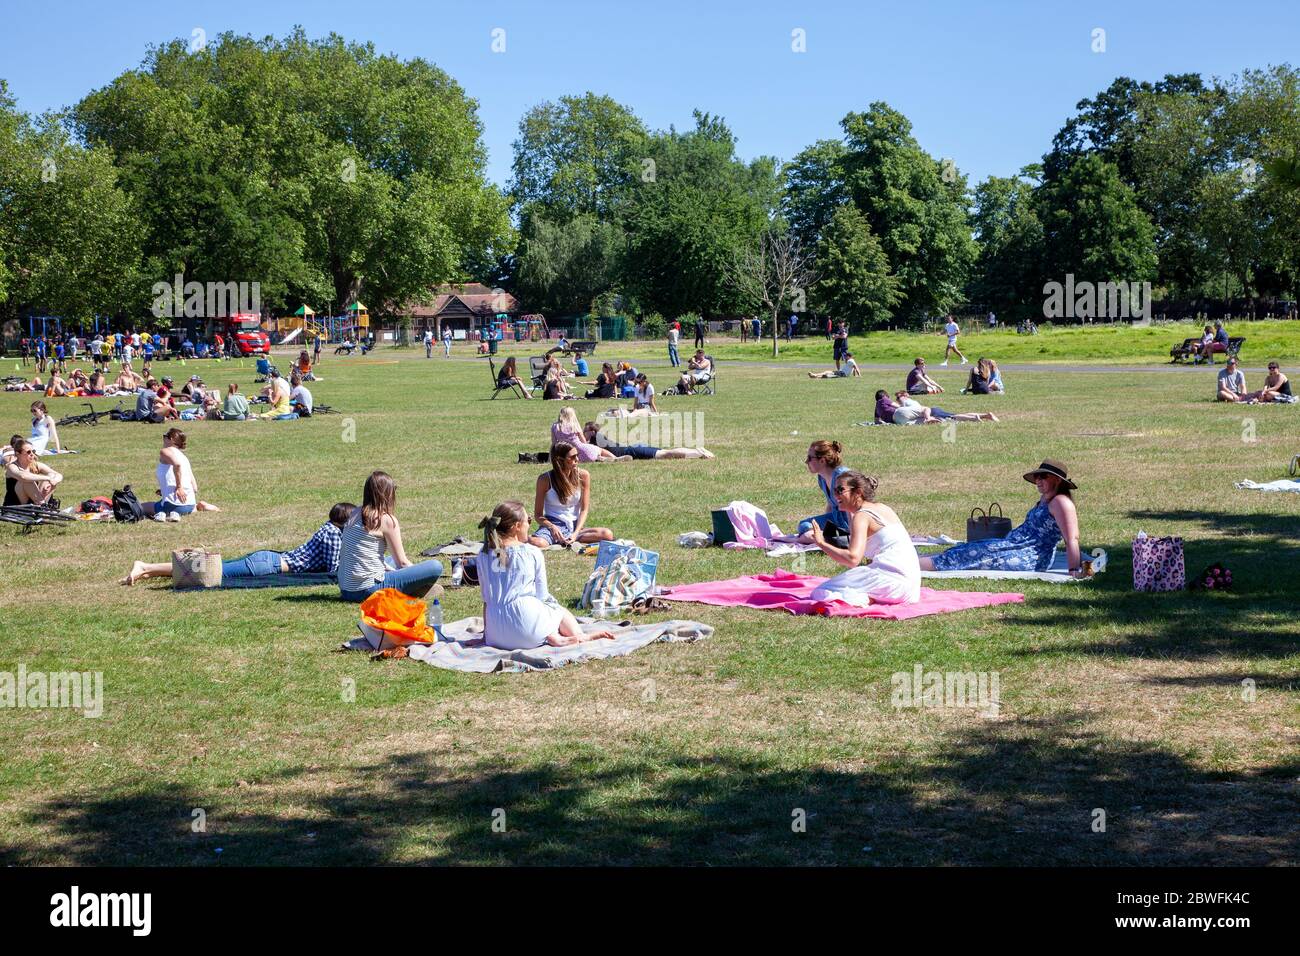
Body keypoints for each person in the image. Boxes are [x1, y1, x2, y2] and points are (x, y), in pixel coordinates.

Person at [476, 501, 615, 649]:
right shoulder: (531, 552)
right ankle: (569, 636)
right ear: (516, 526)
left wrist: (487, 635)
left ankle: (551, 634)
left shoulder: (483, 555)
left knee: (545, 611)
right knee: (558, 610)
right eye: (528, 520)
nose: (530, 525)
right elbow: (543, 595)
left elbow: (486, 599)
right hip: (527, 630)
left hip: (495, 634)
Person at [121, 503, 357, 585]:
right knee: (209, 572)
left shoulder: (327, 528)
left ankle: (151, 571)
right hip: (269, 566)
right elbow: (334, 570)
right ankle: (144, 567)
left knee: (208, 567)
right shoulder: (334, 536)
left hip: (267, 559)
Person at [920, 460, 1083, 576]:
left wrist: (1074, 569)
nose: (1038, 481)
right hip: (1013, 546)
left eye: (1043, 476)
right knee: (963, 550)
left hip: (1027, 557)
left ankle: (904, 565)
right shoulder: (1046, 499)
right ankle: (907, 560)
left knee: (966, 556)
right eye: (1037, 477)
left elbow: (1072, 538)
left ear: (1057, 480)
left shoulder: (1061, 502)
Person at [808, 471, 921, 607]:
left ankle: (863, 599)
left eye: (840, 490)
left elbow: (852, 559)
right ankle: (870, 597)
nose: (835, 495)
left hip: (892, 584)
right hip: (911, 589)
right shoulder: (882, 508)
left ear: (858, 492)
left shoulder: (862, 517)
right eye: (834, 490)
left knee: (820, 593)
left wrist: (821, 543)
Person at [337, 470, 443, 602]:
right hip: (366, 590)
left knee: (388, 560)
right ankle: (414, 587)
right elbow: (402, 563)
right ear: (387, 493)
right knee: (435, 566)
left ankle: (408, 586)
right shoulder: (386, 520)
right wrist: (419, 576)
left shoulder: (354, 513)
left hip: (346, 589)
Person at [528, 442, 615, 548]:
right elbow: (538, 515)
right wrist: (552, 527)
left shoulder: (583, 475)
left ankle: (568, 539)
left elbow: (584, 510)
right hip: (554, 525)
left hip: (575, 526)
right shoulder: (545, 479)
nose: (577, 459)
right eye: (573, 457)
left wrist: (575, 533)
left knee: (607, 534)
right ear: (560, 460)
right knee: (538, 543)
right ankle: (526, 537)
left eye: (577, 455)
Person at [143, 428, 220, 520]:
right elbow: (194, 488)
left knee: (139, 507)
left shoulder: (165, 451)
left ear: (170, 439)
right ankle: (198, 506)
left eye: (164, 436)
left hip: (172, 505)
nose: (163, 439)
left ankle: (168, 512)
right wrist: (165, 490)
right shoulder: (184, 458)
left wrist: (179, 487)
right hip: (190, 505)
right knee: (181, 506)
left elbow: (177, 465)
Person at [796, 440, 852, 544]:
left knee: (807, 536)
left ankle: (835, 539)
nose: (806, 462)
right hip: (836, 519)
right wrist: (828, 526)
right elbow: (831, 505)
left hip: (851, 523)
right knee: (804, 525)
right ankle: (827, 538)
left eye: (809, 458)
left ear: (822, 460)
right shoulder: (821, 478)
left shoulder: (842, 476)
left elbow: (856, 507)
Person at [582, 420, 714, 460]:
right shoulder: (598, 440)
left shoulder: (598, 438)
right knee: (666, 452)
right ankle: (697, 452)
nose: (583, 434)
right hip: (635, 448)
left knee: (665, 454)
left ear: (592, 432)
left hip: (635, 451)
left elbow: (582, 445)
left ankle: (698, 453)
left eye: (585, 432)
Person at [552, 407, 627, 462]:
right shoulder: (574, 425)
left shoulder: (555, 426)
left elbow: (554, 443)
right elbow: (583, 441)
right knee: (600, 450)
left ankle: (601, 458)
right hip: (583, 451)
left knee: (594, 454)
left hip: (568, 456)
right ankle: (615, 458)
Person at [4, 438, 62, 507]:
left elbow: (58, 475)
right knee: (27, 480)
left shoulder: (35, 465)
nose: (32, 454)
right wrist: (47, 478)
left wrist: (53, 480)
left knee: (52, 475)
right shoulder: (12, 467)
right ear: (18, 453)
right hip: (16, 504)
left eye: (33, 451)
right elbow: (23, 476)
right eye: (28, 452)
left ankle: (41, 506)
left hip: (35, 501)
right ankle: (42, 506)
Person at [894, 391, 998, 424]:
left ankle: (976, 418)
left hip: (932, 412)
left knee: (955, 417)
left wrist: (928, 418)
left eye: (899, 397)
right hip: (934, 410)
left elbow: (925, 409)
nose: (898, 399)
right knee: (955, 415)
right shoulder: (911, 402)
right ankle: (986, 415)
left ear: (904, 396)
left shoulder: (907, 401)